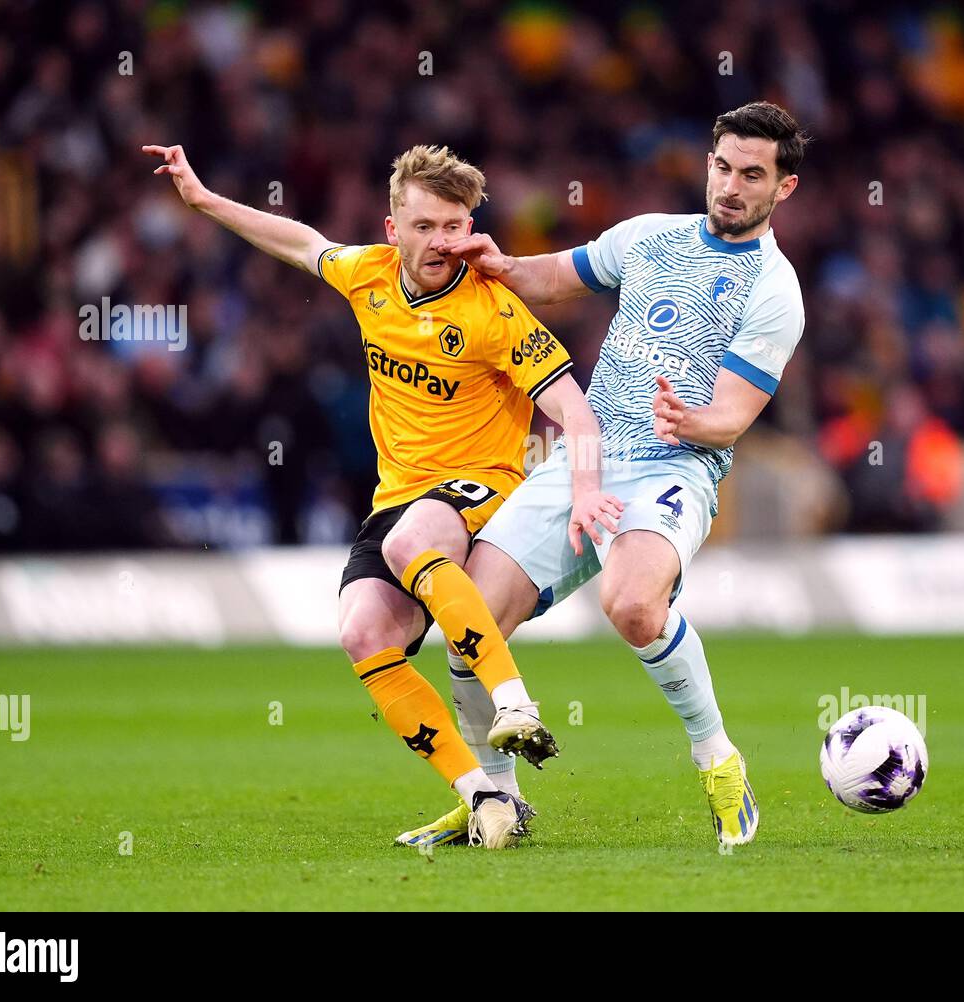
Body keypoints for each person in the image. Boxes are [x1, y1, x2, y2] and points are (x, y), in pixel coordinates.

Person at [143, 142, 621, 848]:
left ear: (470, 230)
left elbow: (575, 412)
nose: (440, 241)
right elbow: (302, 242)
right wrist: (204, 200)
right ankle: (482, 794)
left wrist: (584, 491)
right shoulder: (367, 273)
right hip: (396, 493)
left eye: (454, 227)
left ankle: (516, 703)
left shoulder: (493, 310)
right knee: (362, 633)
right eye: (424, 226)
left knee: (409, 544)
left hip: (482, 484)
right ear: (393, 229)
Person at [397, 102, 808, 848]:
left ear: (785, 188)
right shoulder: (650, 236)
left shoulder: (775, 291)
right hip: (585, 456)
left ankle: (717, 759)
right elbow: (553, 277)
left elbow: (735, 415)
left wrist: (690, 420)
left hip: (674, 465)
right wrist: (500, 265)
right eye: (723, 166)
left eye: (753, 174)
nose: (731, 186)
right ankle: (498, 800)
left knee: (632, 605)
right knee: (467, 625)